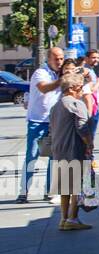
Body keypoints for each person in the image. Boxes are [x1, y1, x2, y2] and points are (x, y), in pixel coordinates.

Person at [17, 46, 64, 203]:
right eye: (56, 59)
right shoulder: (40, 73)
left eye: (61, 58)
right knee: (32, 156)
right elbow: (44, 88)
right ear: (48, 59)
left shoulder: (61, 74)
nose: (59, 62)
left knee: (54, 157)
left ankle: (50, 191)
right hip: (37, 122)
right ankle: (23, 192)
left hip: (55, 122)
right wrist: (62, 81)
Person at [48, 66, 93, 230]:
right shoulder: (76, 104)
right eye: (80, 88)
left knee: (65, 187)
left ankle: (63, 219)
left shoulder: (56, 106)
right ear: (72, 88)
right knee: (77, 186)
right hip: (74, 149)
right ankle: (73, 219)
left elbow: (51, 129)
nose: (82, 91)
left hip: (58, 149)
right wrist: (89, 143)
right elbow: (82, 127)